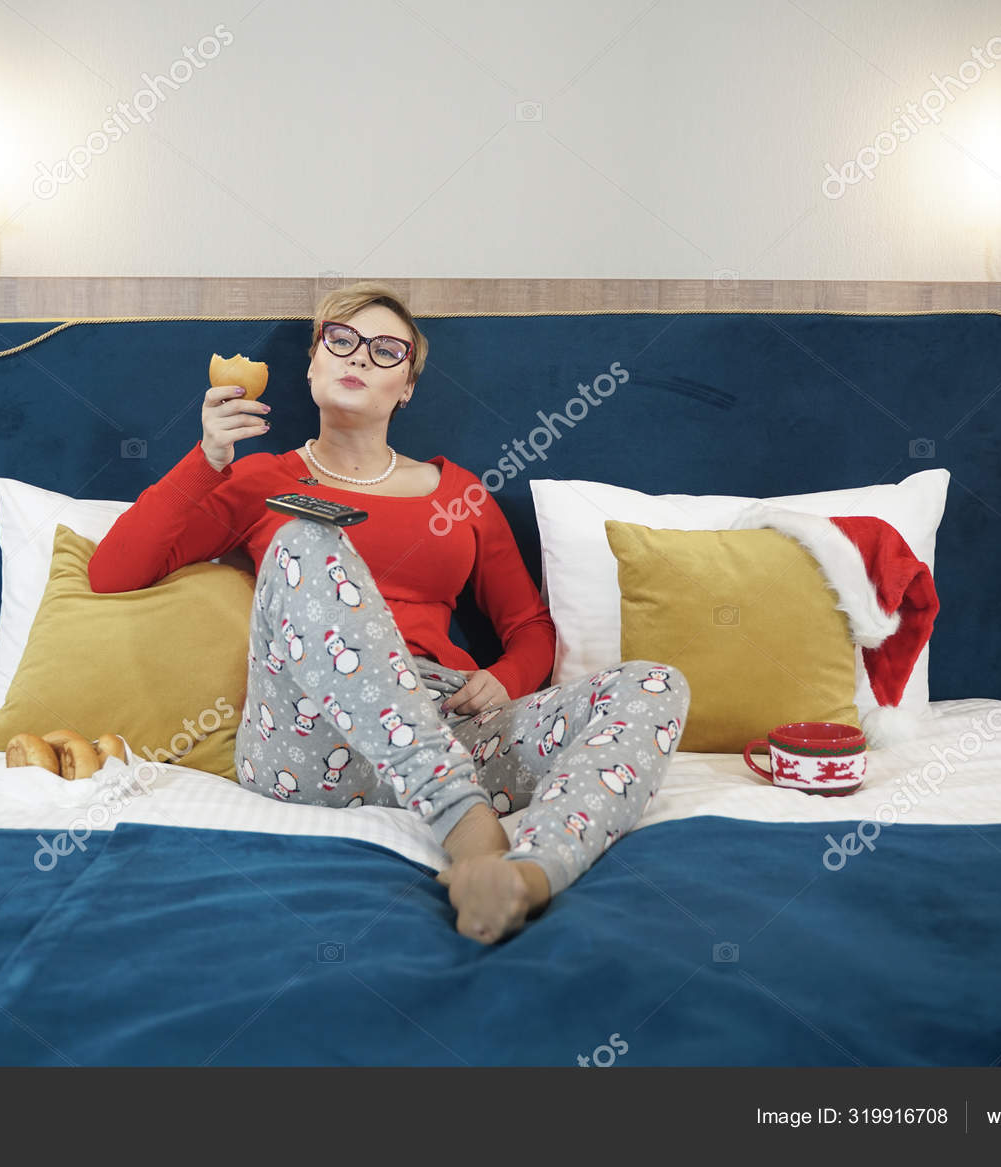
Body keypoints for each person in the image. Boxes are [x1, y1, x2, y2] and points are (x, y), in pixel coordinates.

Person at [88, 282, 690, 944]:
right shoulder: (264, 480)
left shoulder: (461, 494)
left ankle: (529, 874)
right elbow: (113, 571)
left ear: (407, 385)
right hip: (306, 735)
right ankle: (466, 823)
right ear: (313, 364)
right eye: (340, 341)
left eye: (385, 351)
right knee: (307, 533)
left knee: (656, 683)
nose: (360, 357)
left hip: (451, 729)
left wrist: (510, 676)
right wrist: (207, 459)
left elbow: (530, 627)